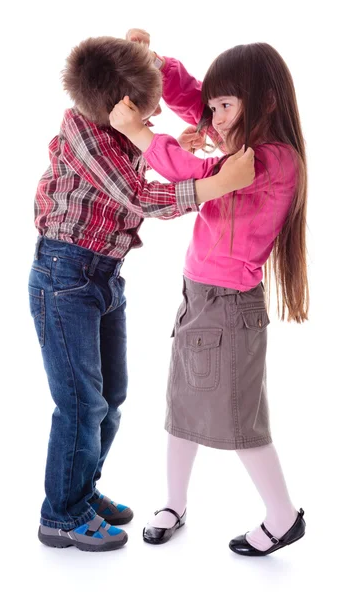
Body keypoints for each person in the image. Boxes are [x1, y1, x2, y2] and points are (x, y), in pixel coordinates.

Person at [29, 35, 255, 552]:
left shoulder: (110, 111)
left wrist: (140, 57)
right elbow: (140, 194)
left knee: (110, 397)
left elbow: (134, 121)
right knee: (80, 404)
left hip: (103, 275)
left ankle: (80, 489)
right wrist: (216, 185)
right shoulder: (86, 135)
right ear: (123, 107)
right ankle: (60, 514)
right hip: (65, 278)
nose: (150, 124)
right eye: (146, 115)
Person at [109, 29, 309, 556]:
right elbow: (192, 96)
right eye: (215, 107)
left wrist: (140, 135)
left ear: (264, 101)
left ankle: (284, 515)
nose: (214, 118)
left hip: (227, 309)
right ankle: (174, 503)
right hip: (200, 297)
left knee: (240, 423)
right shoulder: (245, 142)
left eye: (226, 105)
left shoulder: (266, 160)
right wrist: (157, 63)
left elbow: (195, 174)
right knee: (182, 409)